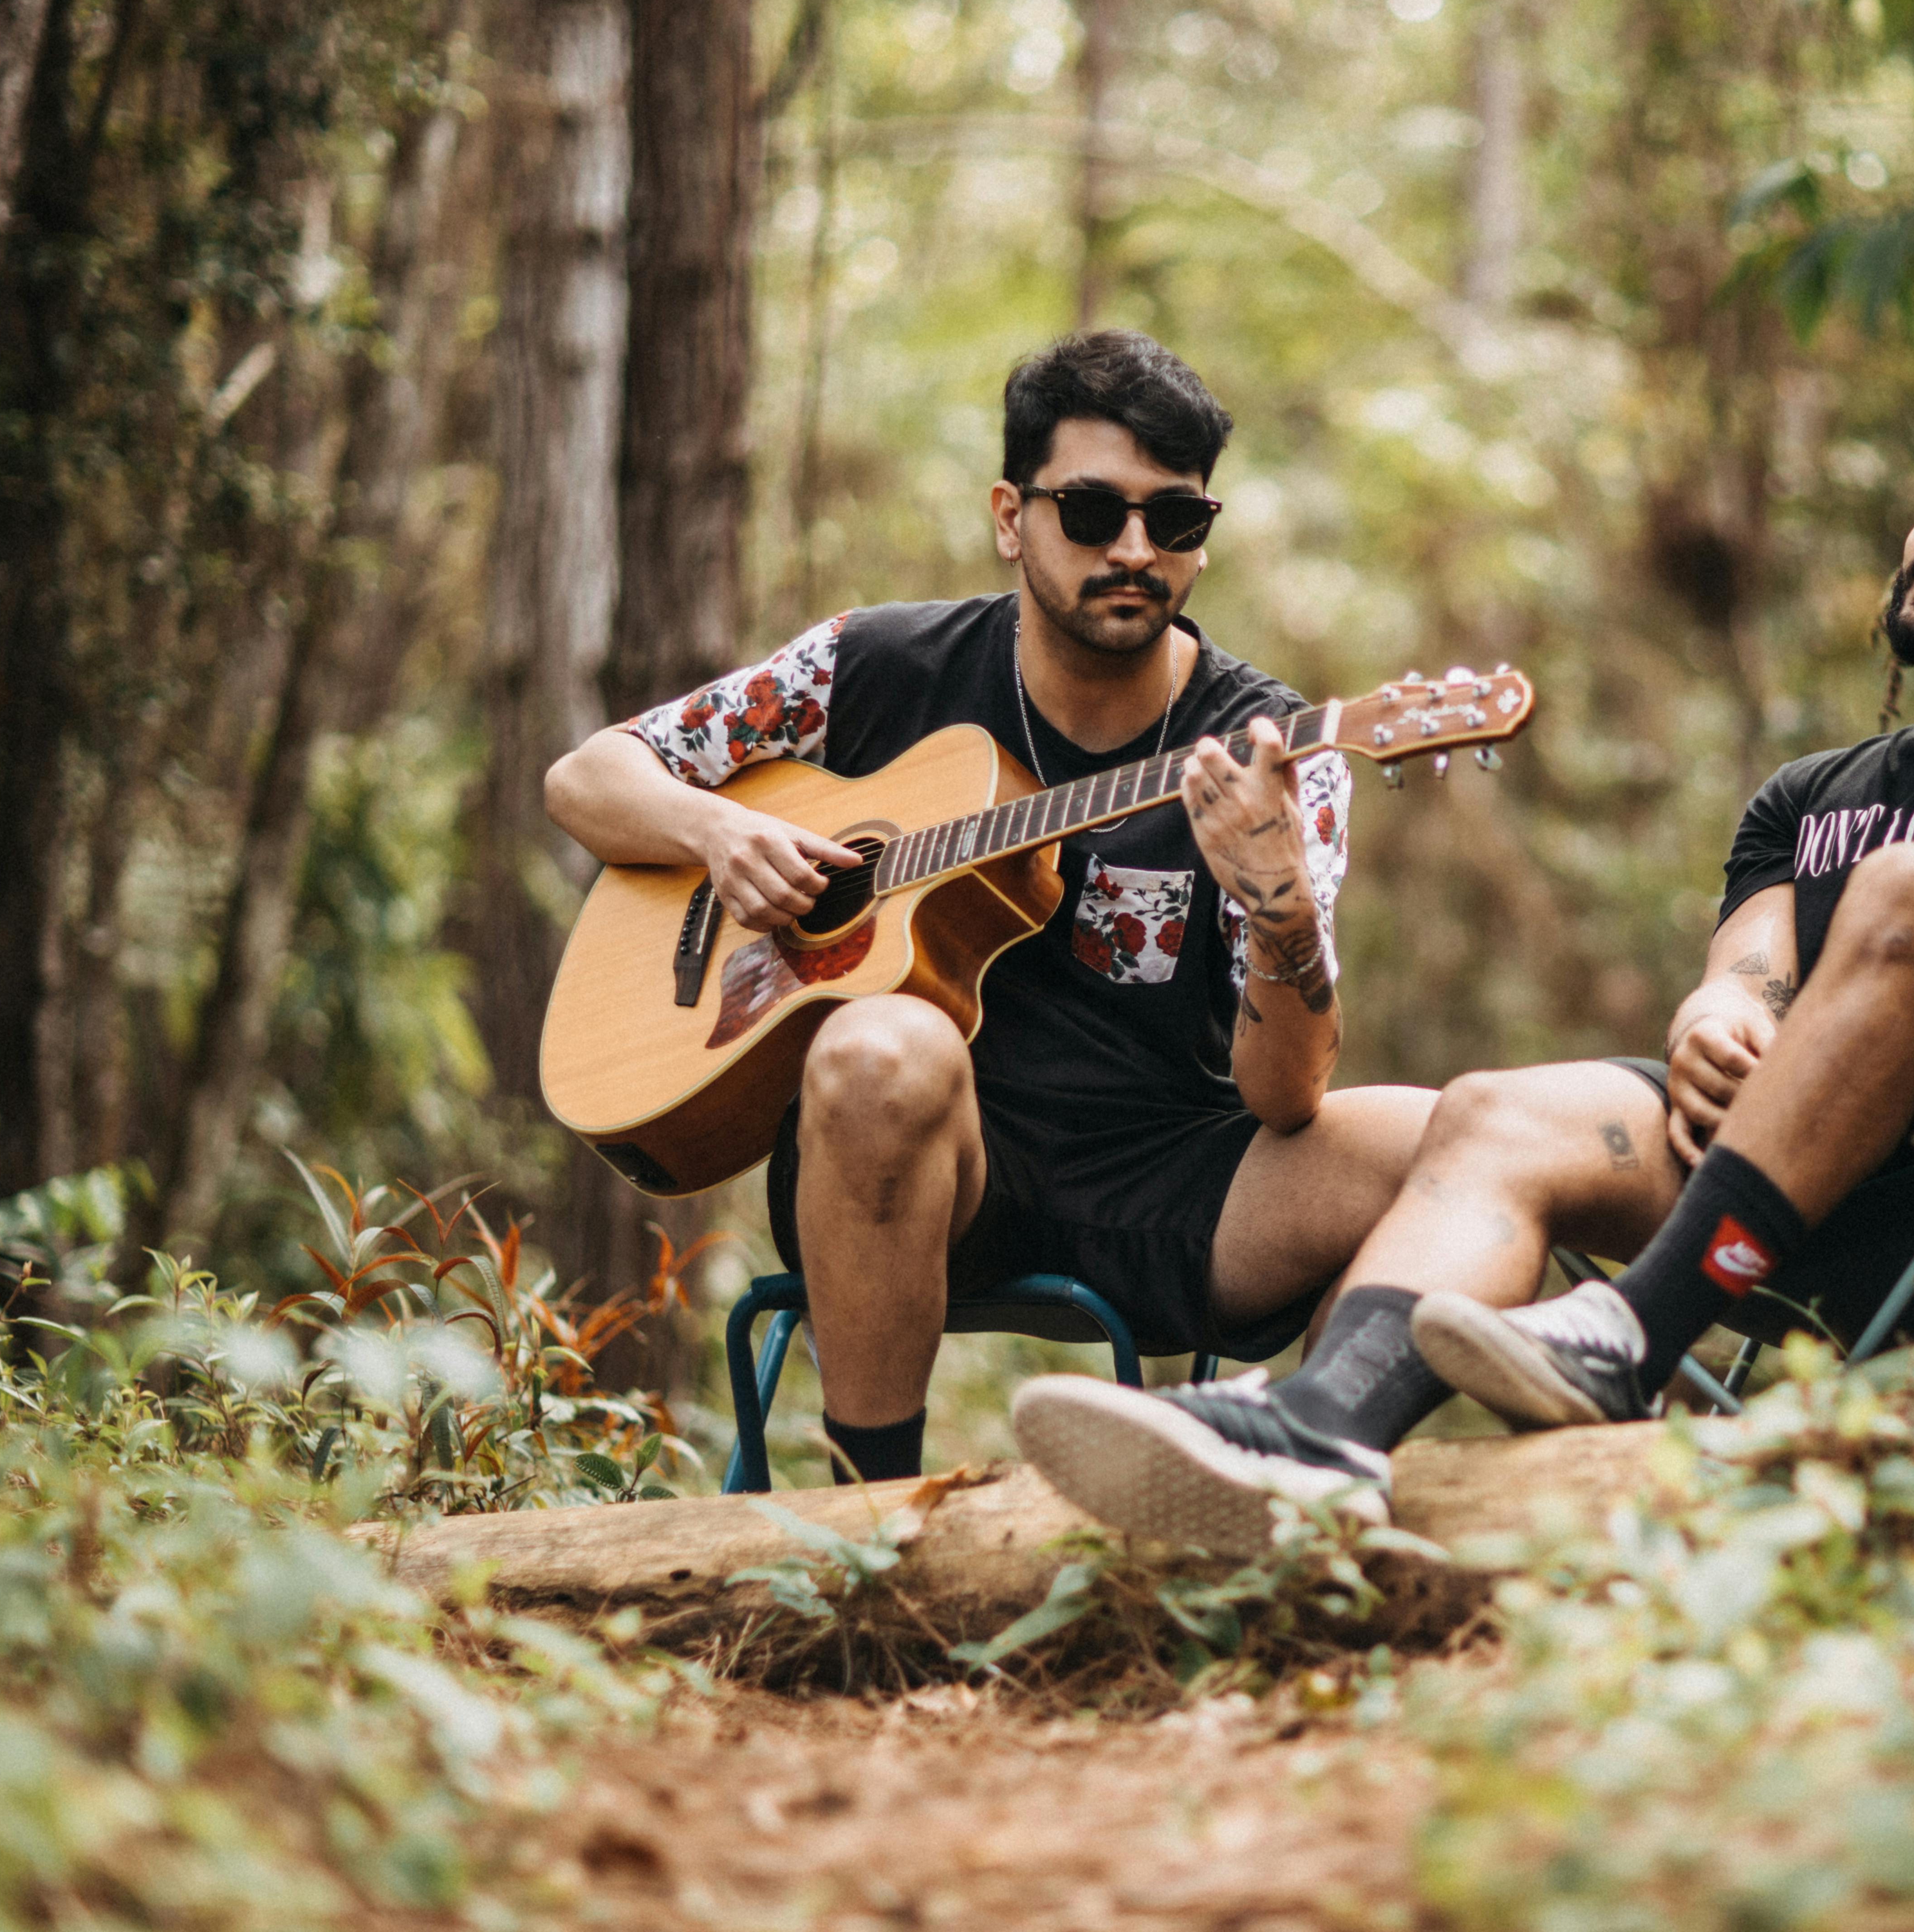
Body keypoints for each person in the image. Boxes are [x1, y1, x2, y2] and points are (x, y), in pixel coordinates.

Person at [1012, 411, 1914, 1550]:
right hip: (1798, 1210)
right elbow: (1744, 981)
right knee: (1494, 1109)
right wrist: (1719, 1025)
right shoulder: (1813, 794)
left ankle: (1635, 1329)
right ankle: (1318, 1435)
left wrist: (1852, 984)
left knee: (1912, 893)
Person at [545, 330, 1434, 1484]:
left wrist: (1277, 903)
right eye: (1092, 511)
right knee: (881, 1046)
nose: (1134, 549)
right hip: (915, 1166)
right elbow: (588, 777)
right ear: (1011, 516)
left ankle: (1310, 1487)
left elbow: (1286, 1094)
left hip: (1176, 1170)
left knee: (1458, 1140)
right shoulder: (868, 668)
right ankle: (880, 1530)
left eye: (1175, 521)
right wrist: (720, 832)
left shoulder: (1272, 747)